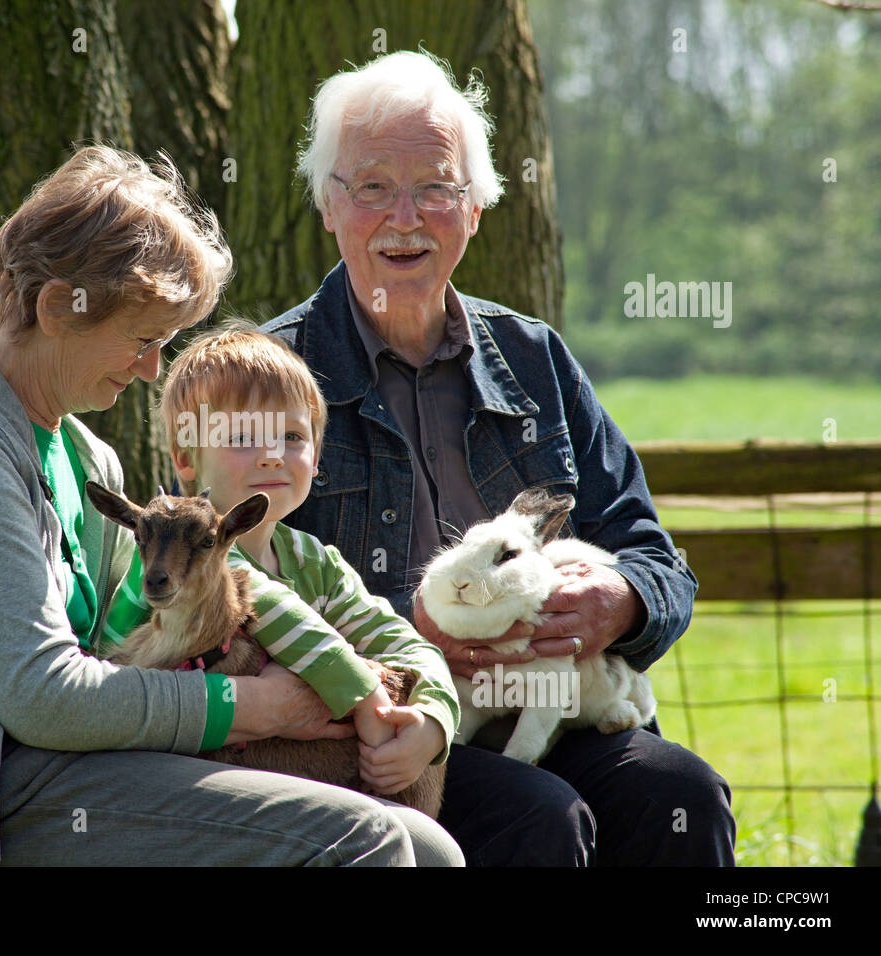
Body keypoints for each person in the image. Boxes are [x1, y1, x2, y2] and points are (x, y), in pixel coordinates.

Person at [0, 144, 456, 866]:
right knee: (365, 843)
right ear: (61, 307)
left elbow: (127, 647)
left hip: (64, 771)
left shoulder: (87, 458)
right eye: (145, 338)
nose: (154, 368)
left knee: (427, 847)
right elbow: (42, 694)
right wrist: (257, 708)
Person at [261, 50, 736, 865]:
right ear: (329, 208)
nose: (405, 217)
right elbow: (231, 594)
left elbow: (654, 555)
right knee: (537, 817)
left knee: (681, 794)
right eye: (372, 186)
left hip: (552, 705)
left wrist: (622, 601)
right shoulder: (270, 378)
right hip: (376, 736)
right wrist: (402, 635)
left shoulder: (534, 358)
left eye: (438, 187)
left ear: (475, 208)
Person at [103, 326, 461, 820]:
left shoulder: (318, 564)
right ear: (186, 457)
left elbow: (400, 641)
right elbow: (256, 602)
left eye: (292, 436)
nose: (272, 453)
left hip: (341, 777)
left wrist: (433, 721)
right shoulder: (170, 565)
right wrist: (364, 697)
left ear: (316, 458)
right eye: (243, 436)